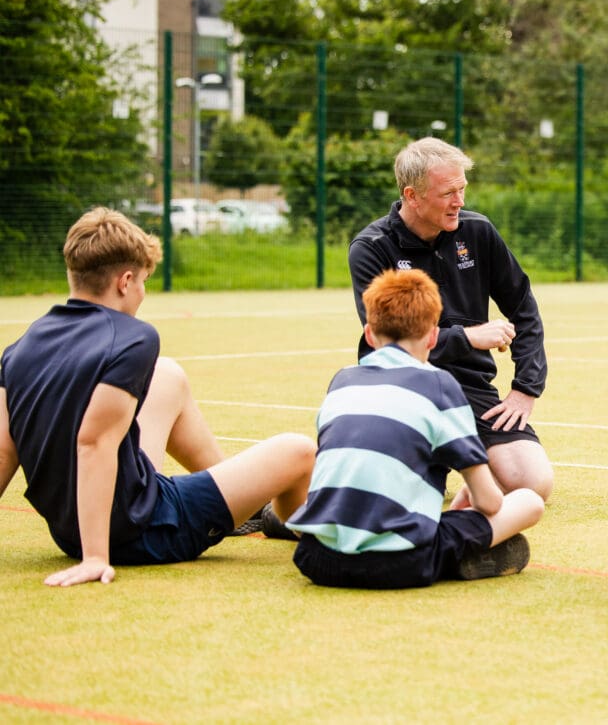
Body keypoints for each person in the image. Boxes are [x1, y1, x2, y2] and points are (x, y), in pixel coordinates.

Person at [0, 208, 315, 587]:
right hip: (142, 529)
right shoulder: (133, 336)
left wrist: (84, 545)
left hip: (72, 532)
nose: (142, 294)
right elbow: (94, 441)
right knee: (298, 451)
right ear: (125, 281)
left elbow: (5, 450)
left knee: (166, 375)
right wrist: (96, 557)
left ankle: (242, 510)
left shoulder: (19, 348)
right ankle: (305, 533)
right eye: (143, 282)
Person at [287, 268, 544, 588]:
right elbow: (490, 504)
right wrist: (474, 501)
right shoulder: (440, 386)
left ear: (369, 334)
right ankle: (459, 554)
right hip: (400, 563)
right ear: (434, 336)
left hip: (316, 558)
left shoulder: (342, 380)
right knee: (530, 502)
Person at [349, 137, 553, 505]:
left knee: (533, 483)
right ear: (412, 196)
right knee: (398, 495)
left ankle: (457, 468)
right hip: (400, 388)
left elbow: (523, 307)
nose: (459, 201)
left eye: (462, 189)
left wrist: (526, 387)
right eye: (448, 193)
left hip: (469, 390)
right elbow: (388, 340)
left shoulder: (478, 232)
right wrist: (468, 337)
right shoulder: (372, 248)